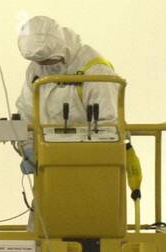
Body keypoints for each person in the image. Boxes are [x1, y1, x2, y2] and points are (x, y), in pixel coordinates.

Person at [14, 15, 117, 172]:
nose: (44, 67)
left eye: (48, 61)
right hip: (51, 165)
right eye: (39, 62)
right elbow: (26, 112)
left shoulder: (95, 70)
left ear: (60, 50)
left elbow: (108, 126)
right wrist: (27, 148)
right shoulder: (35, 70)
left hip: (93, 166)